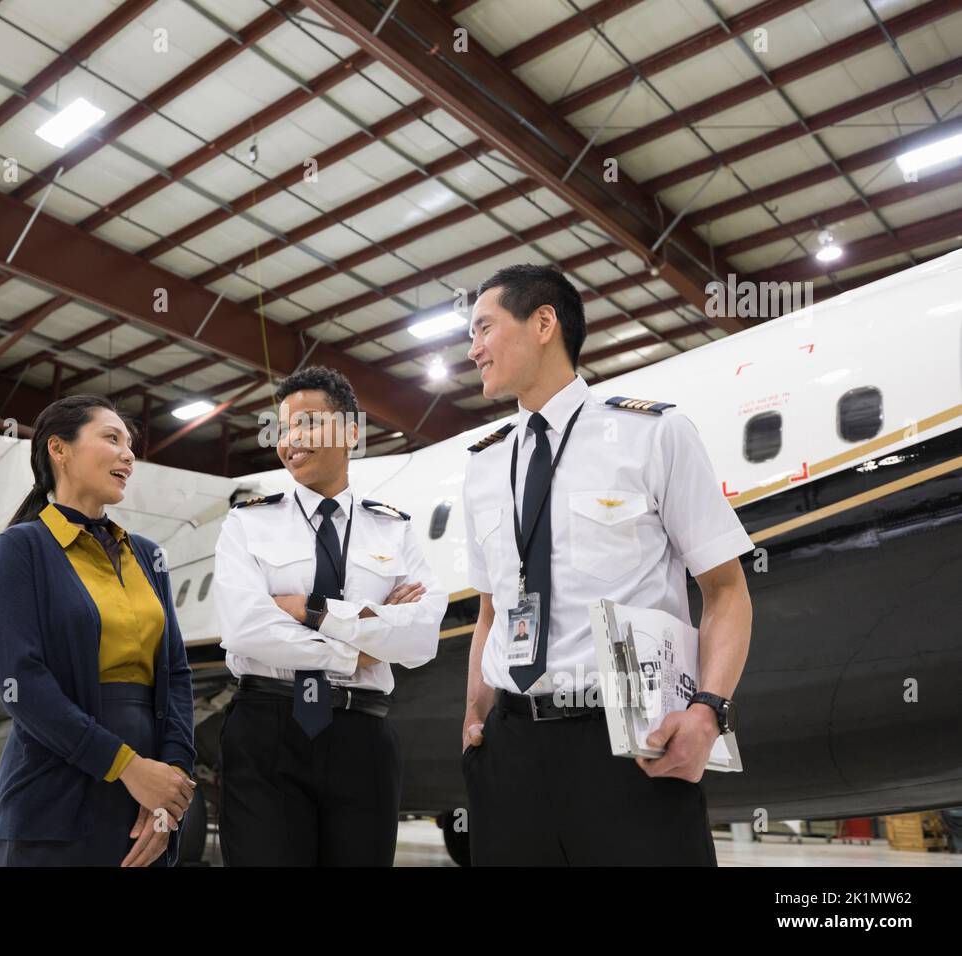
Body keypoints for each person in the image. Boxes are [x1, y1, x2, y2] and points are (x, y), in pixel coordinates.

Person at [460, 264, 753, 866]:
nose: (473, 350)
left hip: (629, 748)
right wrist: (474, 720)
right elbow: (490, 612)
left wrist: (709, 712)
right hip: (509, 753)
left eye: (484, 328)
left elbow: (726, 591)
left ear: (544, 322)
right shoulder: (485, 466)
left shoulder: (653, 434)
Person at [213, 365, 445, 865]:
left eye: (309, 424)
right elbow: (246, 628)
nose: (291, 440)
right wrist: (357, 647)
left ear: (351, 432)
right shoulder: (248, 523)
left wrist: (311, 611)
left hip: (363, 735)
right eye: (284, 429)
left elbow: (421, 636)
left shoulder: (393, 529)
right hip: (268, 729)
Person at [0, 394, 196, 867]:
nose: (128, 454)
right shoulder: (21, 548)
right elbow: (22, 684)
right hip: (54, 790)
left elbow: (177, 674)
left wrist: (171, 784)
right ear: (58, 449)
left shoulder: (147, 556)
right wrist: (127, 767)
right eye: (112, 438)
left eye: (130, 444)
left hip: (147, 798)